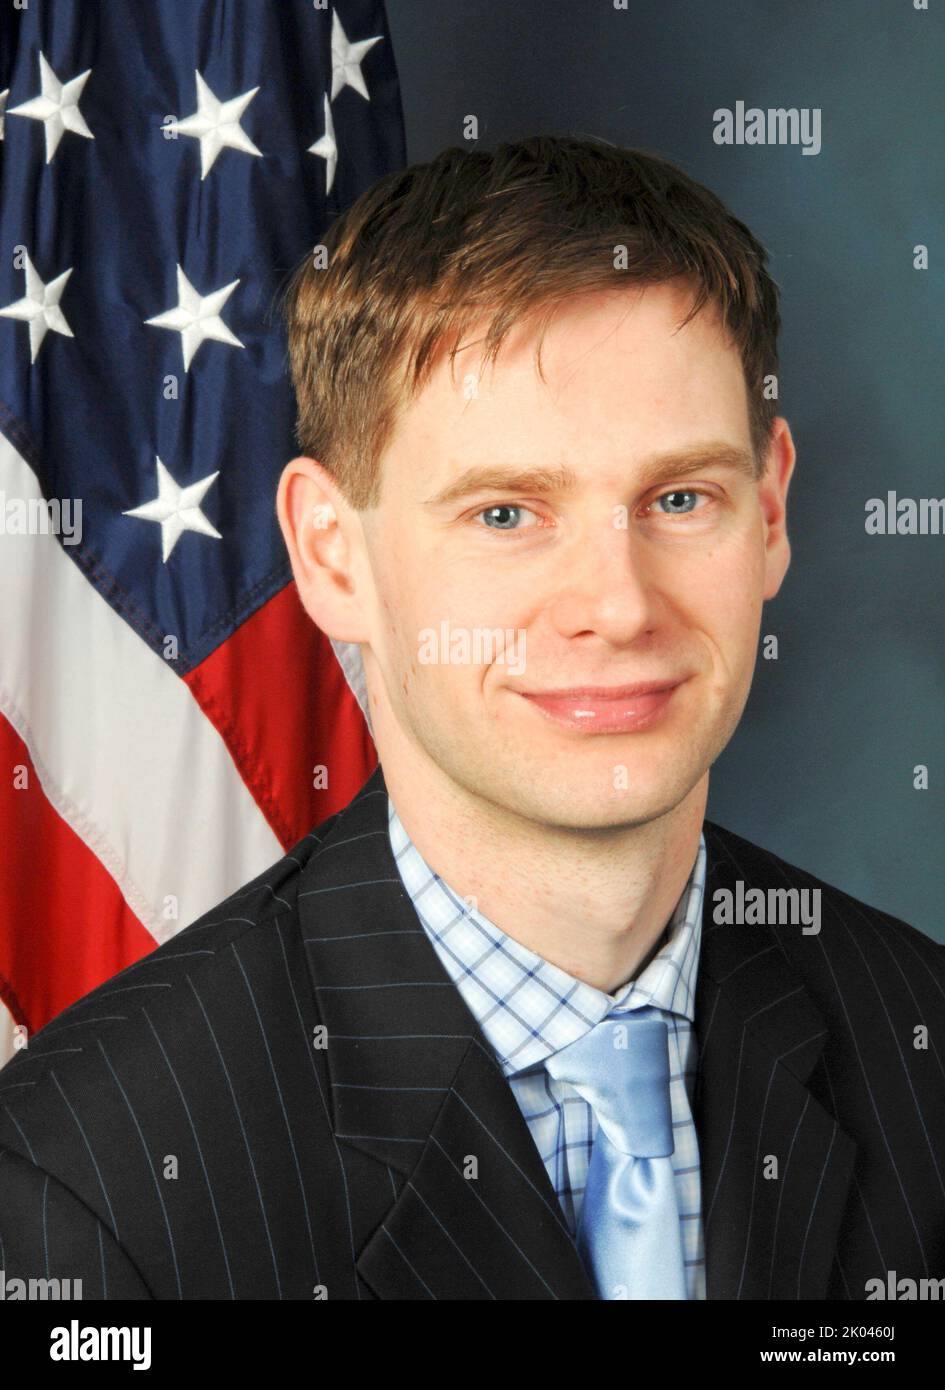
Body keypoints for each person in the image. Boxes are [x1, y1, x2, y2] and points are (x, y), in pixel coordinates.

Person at [1, 136, 942, 1301]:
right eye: (506, 512)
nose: (618, 603)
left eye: (682, 497)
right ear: (332, 554)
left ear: (772, 512)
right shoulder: (87, 1179)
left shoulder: (922, 1043)